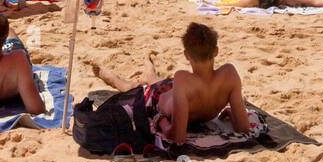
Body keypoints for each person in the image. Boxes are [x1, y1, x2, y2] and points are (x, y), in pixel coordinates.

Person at [90, 23, 250, 145]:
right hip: (171, 93)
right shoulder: (229, 74)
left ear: (187, 55)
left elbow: (177, 137)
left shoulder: (183, 79)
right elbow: (243, 127)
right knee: (147, 84)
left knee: (137, 88)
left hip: (157, 99)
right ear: (216, 51)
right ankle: (121, 72)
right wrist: (231, 114)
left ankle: (129, 70)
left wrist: (161, 121)